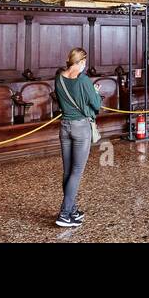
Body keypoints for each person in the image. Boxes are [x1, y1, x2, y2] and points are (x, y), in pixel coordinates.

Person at [53, 47, 102, 228]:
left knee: (68, 171)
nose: (85, 66)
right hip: (81, 127)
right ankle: (65, 213)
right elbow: (96, 105)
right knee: (77, 171)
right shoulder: (84, 80)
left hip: (64, 126)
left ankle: (72, 209)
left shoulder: (59, 78)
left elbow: (62, 100)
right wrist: (95, 91)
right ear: (81, 62)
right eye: (84, 63)